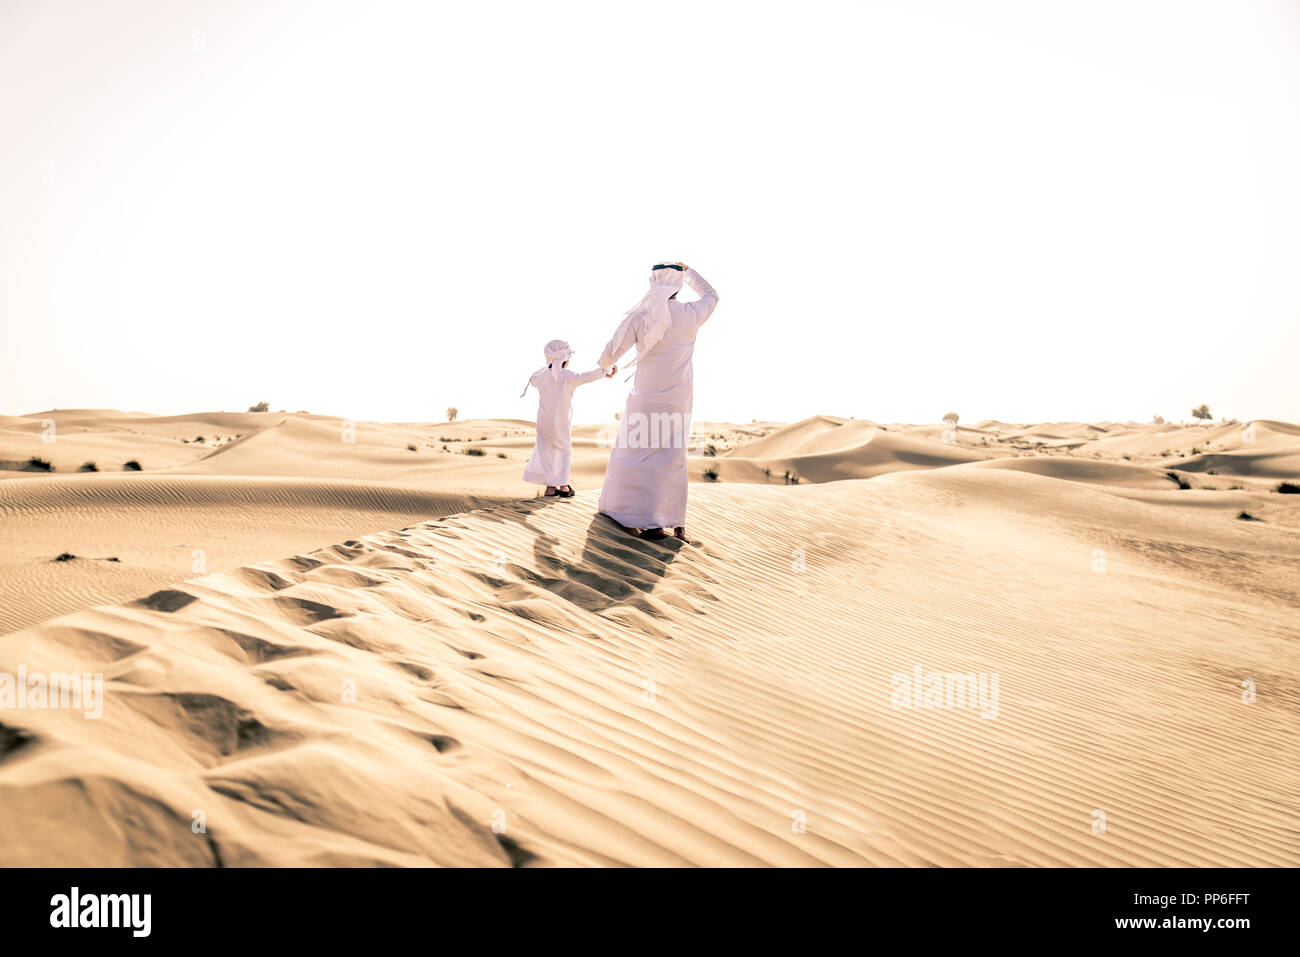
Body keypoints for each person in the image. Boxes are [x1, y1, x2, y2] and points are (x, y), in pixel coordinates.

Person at [596, 262, 718, 541]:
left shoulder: (641, 316)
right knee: (671, 458)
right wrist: (689, 272)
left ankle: (641, 519)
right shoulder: (690, 313)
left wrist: (608, 366)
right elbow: (712, 296)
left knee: (634, 456)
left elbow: (611, 351)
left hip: (644, 400)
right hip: (677, 401)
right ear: (678, 285)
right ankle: (674, 523)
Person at [520, 339, 614, 497]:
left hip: (544, 422)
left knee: (546, 452)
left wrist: (544, 369)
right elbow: (587, 376)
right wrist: (605, 370)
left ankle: (550, 488)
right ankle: (563, 486)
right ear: (566, 359)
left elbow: (533, 378)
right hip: (561, 422)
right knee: (563, 451)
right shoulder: (568, 376)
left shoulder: (541, 377)